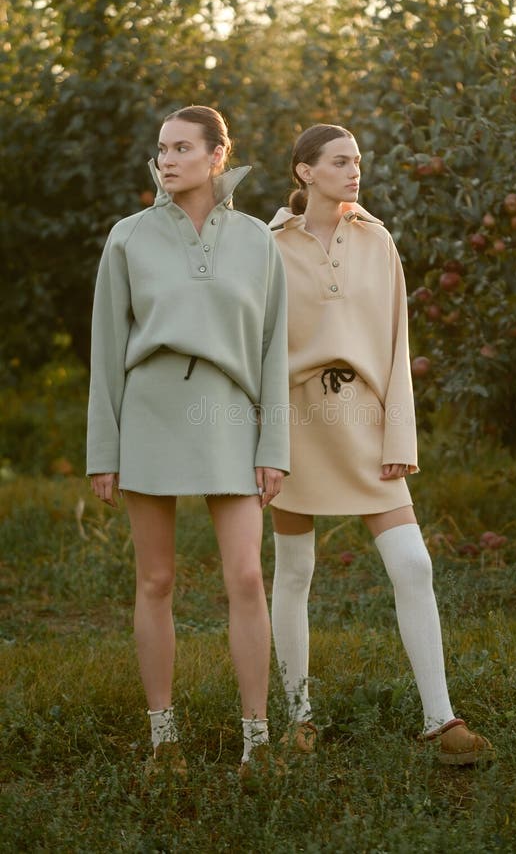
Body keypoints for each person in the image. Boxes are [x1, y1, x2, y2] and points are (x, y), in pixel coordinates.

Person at [268, 123, 493, 766]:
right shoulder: (266, 244)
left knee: (413, 564)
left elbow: (397, 344)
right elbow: (256, 348)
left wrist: (400, 432)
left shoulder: (378, 239)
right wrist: (265, 439)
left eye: (359, 162)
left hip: (366, 421)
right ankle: (299, 718)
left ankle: (441, 719)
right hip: (296, 422)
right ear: (306, 171)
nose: (355, 171)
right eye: (341, 162)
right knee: (295, 572)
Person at [86, 105, 289, 781]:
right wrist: (103, 451)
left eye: (181, 148)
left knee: (247, 576)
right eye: (161, 149)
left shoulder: (258, 241)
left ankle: (258, 742)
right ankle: (163, 741)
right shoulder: (128, 238)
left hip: (228, 415)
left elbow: (271, 350)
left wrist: (274, 447)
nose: (166, 159)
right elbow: (107, 350)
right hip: (149, 414)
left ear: (216, 156)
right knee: (156, 578)